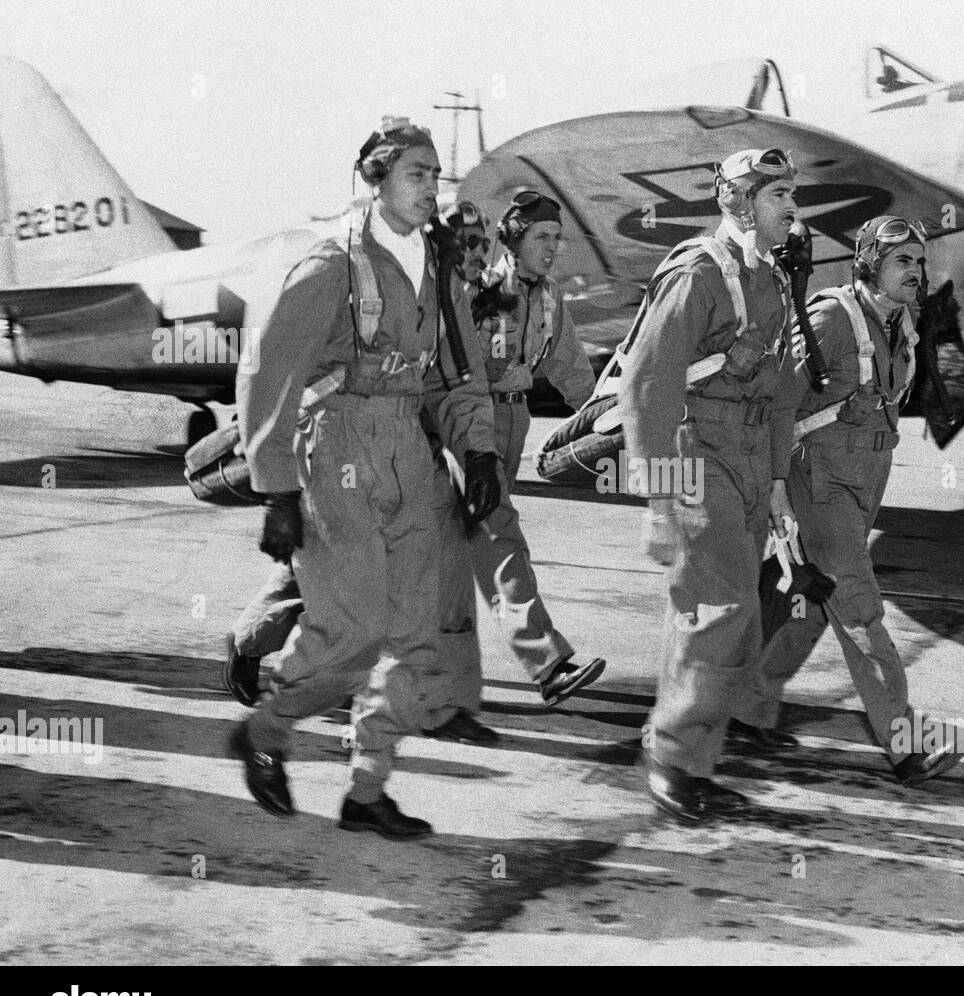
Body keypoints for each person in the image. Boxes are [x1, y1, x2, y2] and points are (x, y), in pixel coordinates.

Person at [227, 117, 499, 839]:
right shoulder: (330, 267)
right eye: (415, 171)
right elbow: (268, 373)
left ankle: (367, 788)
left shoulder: (438, 269)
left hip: (410, 449)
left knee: (419, 637)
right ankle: (265, 729)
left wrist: (478, 453)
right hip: (337, 447)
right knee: (352, 631)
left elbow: (459, 371)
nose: (430, 186)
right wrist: (278, 487)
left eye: (436, 173)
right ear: (375, 181)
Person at [620, 148, 803, 824]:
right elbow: (648, 387)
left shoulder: (776, 282)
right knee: (724, 613)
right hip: (700, 455)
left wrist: (780, 481)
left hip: (753, 459)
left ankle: (682, 752)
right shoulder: (698, 273)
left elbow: (782, 393)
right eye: (778, 193)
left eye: (792, 194)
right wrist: (658, 498)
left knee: (714, 614)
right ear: (739, 202)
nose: (792, 208)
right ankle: (673, 761)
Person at [755, 215, 963, 786]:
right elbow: (778, 407)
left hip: (866, 474)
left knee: (805, 598)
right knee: (858, 607)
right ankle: (904, 743)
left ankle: (748, 704)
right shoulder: (832, 320)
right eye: (902, 261)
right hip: (819, 478)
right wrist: (777, 490)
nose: (915, 272)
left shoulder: (901, 321)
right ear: (868, 265)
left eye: (919, 262)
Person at [447, 189, 605, 726]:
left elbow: (574, 372)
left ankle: (270, 633)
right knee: (499, 534)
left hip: (514, 422)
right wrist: (494, 380)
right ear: (513, 238)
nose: (553, 247)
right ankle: (546, 662)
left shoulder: (552, 298)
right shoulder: (479, 290)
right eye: (542, 236)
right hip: (470, 423)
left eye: (558, 238)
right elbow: (447, 364)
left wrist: (608, 417)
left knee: (456, 546)